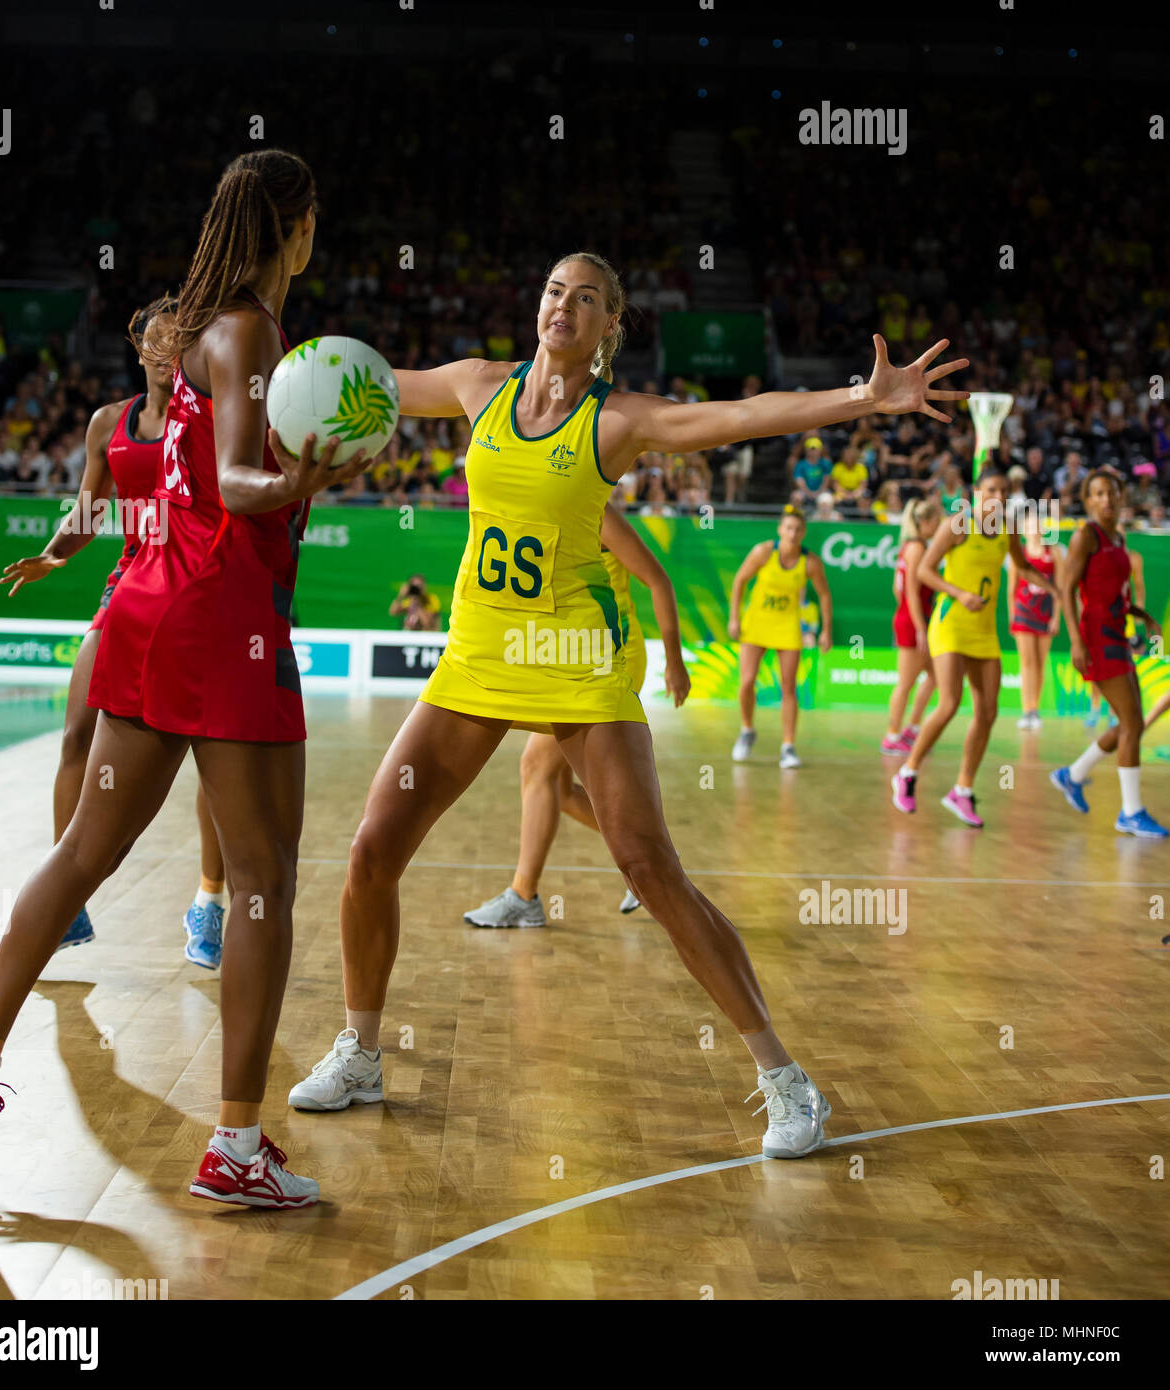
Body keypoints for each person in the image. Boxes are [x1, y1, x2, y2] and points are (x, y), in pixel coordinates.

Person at [285, 249, 966, 1160]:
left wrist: (860, 400)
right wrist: (248, 368)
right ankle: (362, 1052)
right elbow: (350, 381)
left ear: (611, 326)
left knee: (648, 865)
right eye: (554, 290)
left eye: (588, 299)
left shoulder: (620, 421)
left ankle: (785, 1081)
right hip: (479, 654)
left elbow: (740, 416)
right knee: (372, 849)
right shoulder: (475, 385)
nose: (564, 305)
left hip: (575, 657)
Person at [0, 151, 368, 1205]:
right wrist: (305, 477)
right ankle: (235, 1145)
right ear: (298, 227)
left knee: (86, 849)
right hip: (222, 623)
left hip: (145, 612)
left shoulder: (198, 329)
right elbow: (234, 480)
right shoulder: (254, 332)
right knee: (265, 877)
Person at [0, 298, 228, 965]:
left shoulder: (214, 420)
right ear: (138, 352)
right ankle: (66, 898)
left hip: (199, 601)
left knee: (209, 763)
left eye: (179, 343)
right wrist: (53, 554)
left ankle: (209, 902)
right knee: (76, 734)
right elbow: (88, 511)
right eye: (155, 344)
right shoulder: (109, 424)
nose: (167, 354)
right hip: (126, 588)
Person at [463, 503, 690, 926]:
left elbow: (658, 581)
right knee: (559, 790)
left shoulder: (598, 512)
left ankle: (524, 897)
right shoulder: (539, 511)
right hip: (565, 657)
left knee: (536, 767)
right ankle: (651, 861)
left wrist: (674, 660)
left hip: (609, 658)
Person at [890, 468, 1046, 826]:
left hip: (984, 631)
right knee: (949, 702)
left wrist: (1055, 589)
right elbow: (925, 571)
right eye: (991, 489)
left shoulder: (1007, 529)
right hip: (950, 624)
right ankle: (908, 772)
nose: (999, 497)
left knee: (988, 712)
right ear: (977, 492)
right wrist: (959, 593)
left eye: (1004, 491)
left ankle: (962, 790)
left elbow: (1022, 567)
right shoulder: (958, 524)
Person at [1049, 471, 1167, 836]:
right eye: (1098, 494)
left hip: (1117, 633)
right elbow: (1067, 589)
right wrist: (1075, 640)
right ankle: (1130, 812)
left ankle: (1073, 774)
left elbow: (1116, 595)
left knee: (1128, 722)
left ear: (1121, 497)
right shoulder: (1086, 535)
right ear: (1089, 501)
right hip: (1097, 638)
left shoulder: (1119, 536)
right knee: (1133, 723)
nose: (1106, 499)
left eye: (1112, 493)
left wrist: (1144, 617)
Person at [729, 506, 832, 768]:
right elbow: (740, 580)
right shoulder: (763, 552)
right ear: (779, 530)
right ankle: (747, 730)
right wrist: (734, 617)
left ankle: (788, 746)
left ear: (804, 532)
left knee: (788, 687)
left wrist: (826, 631)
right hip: (757, 624)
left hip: (787, 626)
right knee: (747, 681)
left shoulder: (810, 563)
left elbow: (824, 595)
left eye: (798, 529)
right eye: (788, 528)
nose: (793, 533)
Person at [881, 497, 942, 755]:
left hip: (911, 618)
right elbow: (911, 592)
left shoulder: (909, 546)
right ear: (925, 522)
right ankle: (892, 735)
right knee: (905, 682)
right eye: (936, 522)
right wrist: (919, 627)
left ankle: (911, 729)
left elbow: (897, 591)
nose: (939, 526)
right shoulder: (917, 548)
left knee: (936, 675)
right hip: (913, 622)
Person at [1007, 509, 1064, 730]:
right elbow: (1011, 589)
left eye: (1038, 524)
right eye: (1030, 525)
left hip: (1046, 613)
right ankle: (1027, 709)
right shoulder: (1018, 554)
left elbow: (1059, 588)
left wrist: (1056, 617)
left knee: (1040, 663)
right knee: (1027, 662)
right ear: (1023, 530)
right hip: (1023, 613)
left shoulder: (1054, 552)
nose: (1035, 529)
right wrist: (1013, 615)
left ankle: (1035, 708)